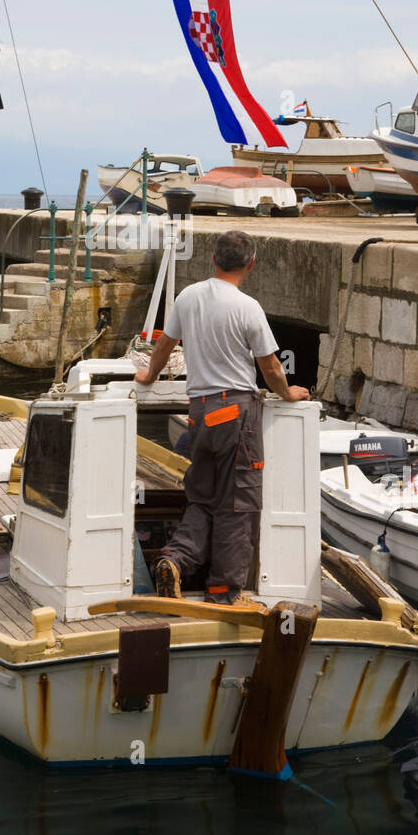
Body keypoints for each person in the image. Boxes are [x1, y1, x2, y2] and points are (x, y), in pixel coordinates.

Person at [134, 229, 309, 605]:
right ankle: (222, 593)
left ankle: (175, 560)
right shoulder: (248, 308)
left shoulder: (188, 296)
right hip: (235, 415)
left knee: (201, 499)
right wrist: (288, 393)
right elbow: (272, 368)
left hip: (199, 415)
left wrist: (148, 376)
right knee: (237, 505)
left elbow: (165, 343)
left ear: (213, 260)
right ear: (251, 264)